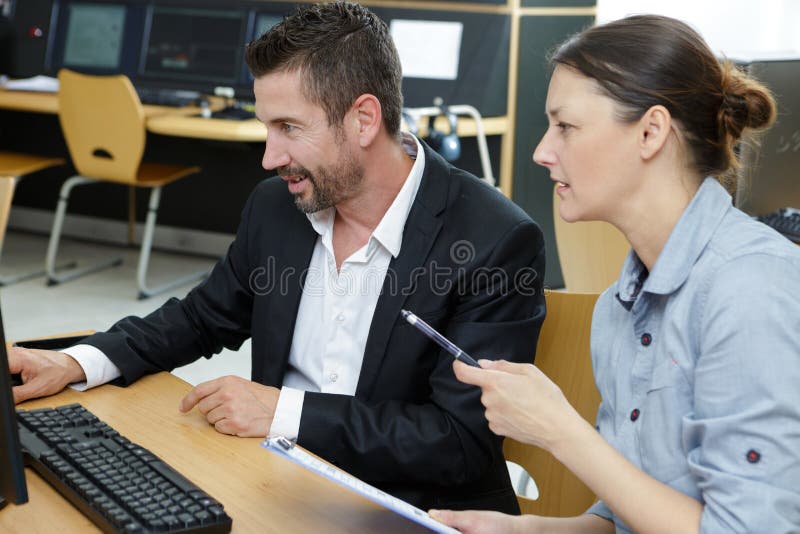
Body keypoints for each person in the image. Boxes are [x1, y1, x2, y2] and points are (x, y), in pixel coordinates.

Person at [8, 2, 547, 513]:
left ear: (363, 120)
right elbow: (202, 317)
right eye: (266, 126)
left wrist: (282, 412)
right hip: (270, 482)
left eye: (288, 128)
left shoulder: (494, 242)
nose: (270, 157)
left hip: (407, 508)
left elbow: (459, 442)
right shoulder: (278, 206)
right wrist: (75, 361)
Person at [431, 14, 800, 534]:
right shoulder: (617, 310)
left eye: (566, 126)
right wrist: (524, 530)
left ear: (650, 132)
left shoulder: (749, 289)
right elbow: (628, 518)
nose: (542, 151)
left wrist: (559, 430)